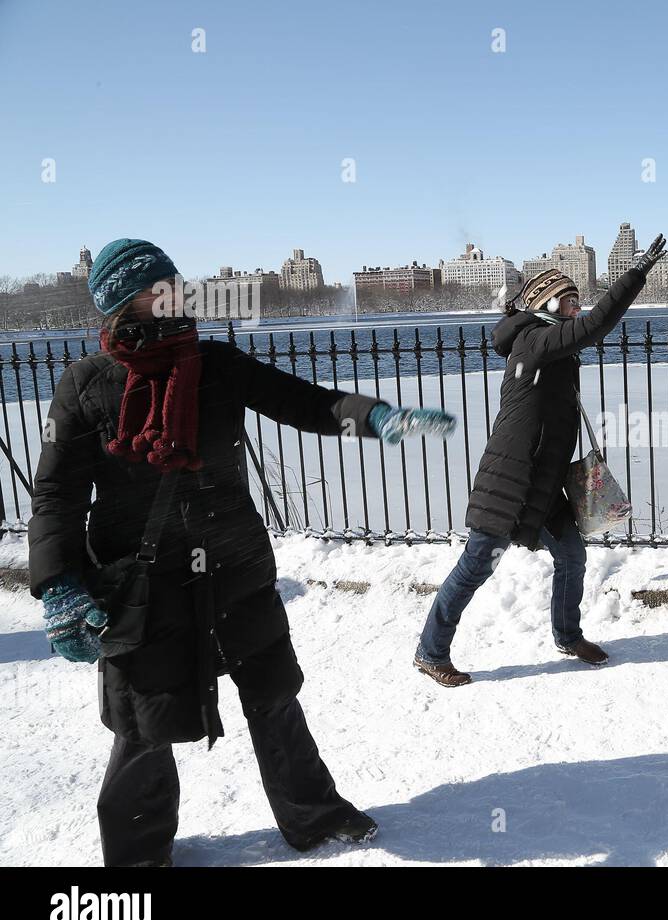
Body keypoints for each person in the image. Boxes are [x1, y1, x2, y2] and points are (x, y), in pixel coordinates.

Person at [28, 238, 456, 866]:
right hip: (142, 585)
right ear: (123, 301)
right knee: (142, 726)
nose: (175, 291)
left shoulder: (218, 364)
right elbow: (57, 494)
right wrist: (60, 584)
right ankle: (138, 858)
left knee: (274, 695)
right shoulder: (87, 385)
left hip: (233, 566)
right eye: (158, 285)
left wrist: (376, 418)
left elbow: (307, 403)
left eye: (175, 280)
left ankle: (313, 816)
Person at [413, 234, 667, 687]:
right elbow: (595, 327)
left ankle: (568, 636)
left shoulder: (547, 347)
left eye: (577, 303)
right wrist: (636, 274)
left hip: (544, 482)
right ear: (547, 304)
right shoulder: (533, 341)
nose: (577, 310)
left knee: (571, 553)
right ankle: (430, 652)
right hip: (510, 481)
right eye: (570, 302)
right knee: (476, 566)